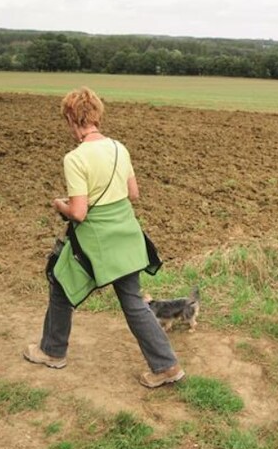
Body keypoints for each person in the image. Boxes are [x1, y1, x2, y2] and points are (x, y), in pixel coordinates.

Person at [24, 87, 184, 388]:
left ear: (71, 118)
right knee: (133, 301)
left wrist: (60, 205)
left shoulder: (75, 158)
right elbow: (133, 193)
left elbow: (79, 212)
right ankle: (167, 366)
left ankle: (52, 351)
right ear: (96, 115)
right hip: (127, 236)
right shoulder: (119, 148)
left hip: (96, 243)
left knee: (61, 283)